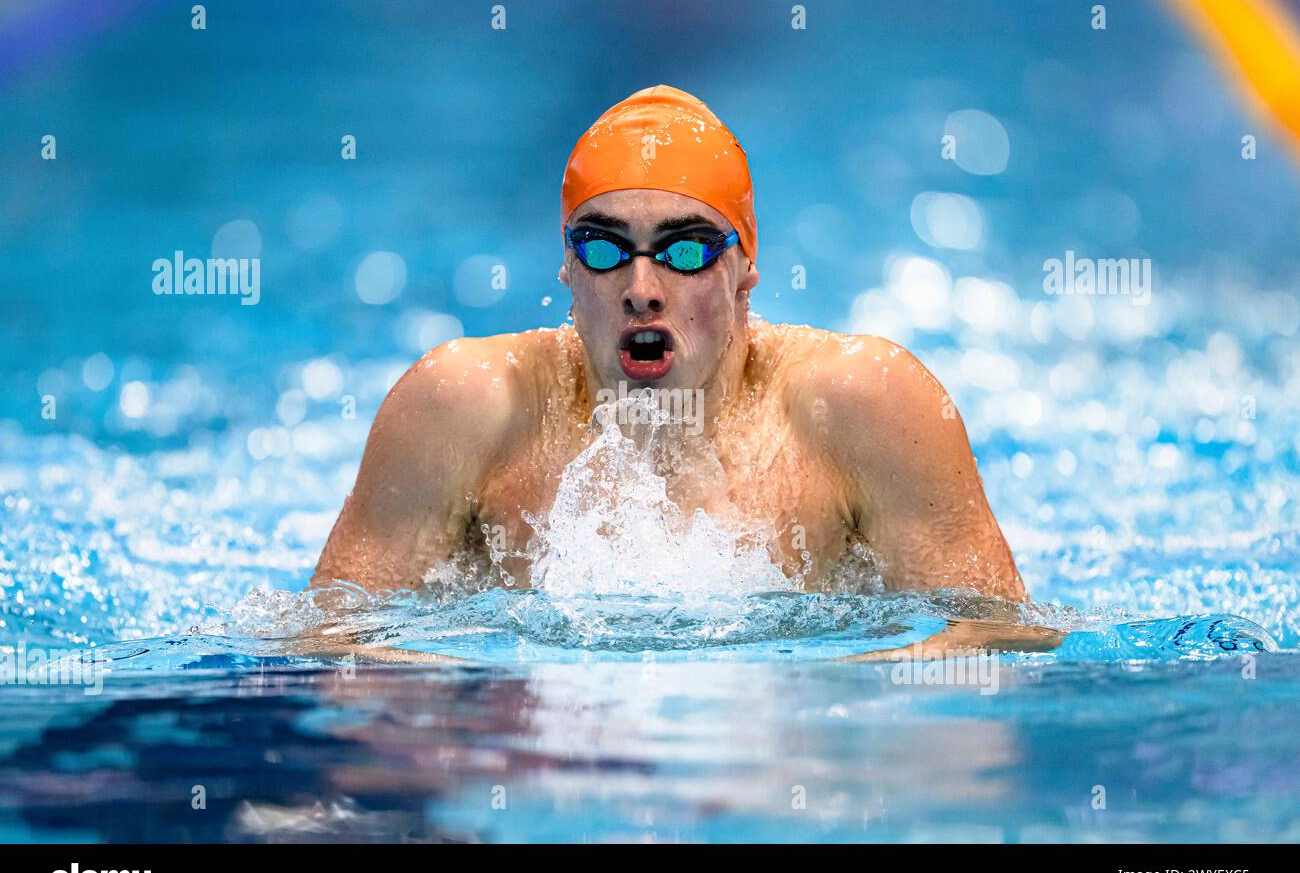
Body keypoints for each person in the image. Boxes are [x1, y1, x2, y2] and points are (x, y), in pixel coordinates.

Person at [312, 84, 1062, 658]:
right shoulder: (466, 407)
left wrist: (837, 697)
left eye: (685, 248)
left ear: (745, 269)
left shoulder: (865, 404)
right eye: (605, 248)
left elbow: (1000, 640)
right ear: (569, 270)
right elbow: (325, 645)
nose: (641, 286)